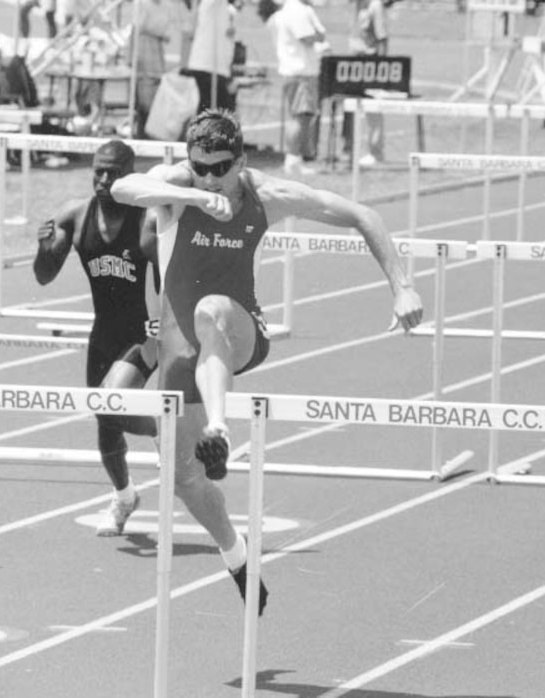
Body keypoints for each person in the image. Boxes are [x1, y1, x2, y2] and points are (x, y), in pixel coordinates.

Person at [111, 109, 424, 614]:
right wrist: (194, 195)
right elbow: (124, 188)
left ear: (242, 159)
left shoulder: (267, 196)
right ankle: (237, 557)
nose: (210, 175)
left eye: (220, 167)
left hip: (239, 331)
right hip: (179, 352)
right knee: (184, 478)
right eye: (200, 165)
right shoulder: (180, 184)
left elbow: (365, 215)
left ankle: (220, 428)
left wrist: (402, 285)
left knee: (210, 310)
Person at [33, 140, 159, 538]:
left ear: (130, 174)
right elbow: (43, 275)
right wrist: (45, 248)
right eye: (98, 171)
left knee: (114, 399)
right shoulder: (76, 213)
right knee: (105, 421)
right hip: (104, 332)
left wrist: (168, 330)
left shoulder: (149, 218)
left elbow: (174, 277)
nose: (104, 180)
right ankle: (124, 498)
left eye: (114, 172)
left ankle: (168, 430)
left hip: (148, 331)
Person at [266, 0, 329, 176]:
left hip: (296, 70)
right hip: (300, 72)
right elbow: (307, 37)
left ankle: (295, 158)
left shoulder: (291, 10)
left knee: (301, 116)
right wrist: (319, 35)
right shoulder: (297, 10)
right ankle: (293, 159)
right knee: (300, 116)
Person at [342, 0, 388, 167]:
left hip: (370, 61)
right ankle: (351, 150)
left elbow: (382, 38)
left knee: (373, 107)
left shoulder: (375, 5)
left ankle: (376, 152)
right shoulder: (356, 5)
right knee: (352, 107)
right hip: (354, 61)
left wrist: (381, 67)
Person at [131, 0, 175, 139]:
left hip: (156, 55)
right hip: (143, 53)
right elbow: (139, 26)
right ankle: (142, 131)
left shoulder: (166, 6)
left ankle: (150, 130)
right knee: (144, 96)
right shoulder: (142, 4)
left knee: (155, 94)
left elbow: (167, 31)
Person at [187, 0, 238, 115]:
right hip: (206, 66)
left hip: (215, 68)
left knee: (209, 109)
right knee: (223, 110)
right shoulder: (211, 4)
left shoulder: (225, 10)